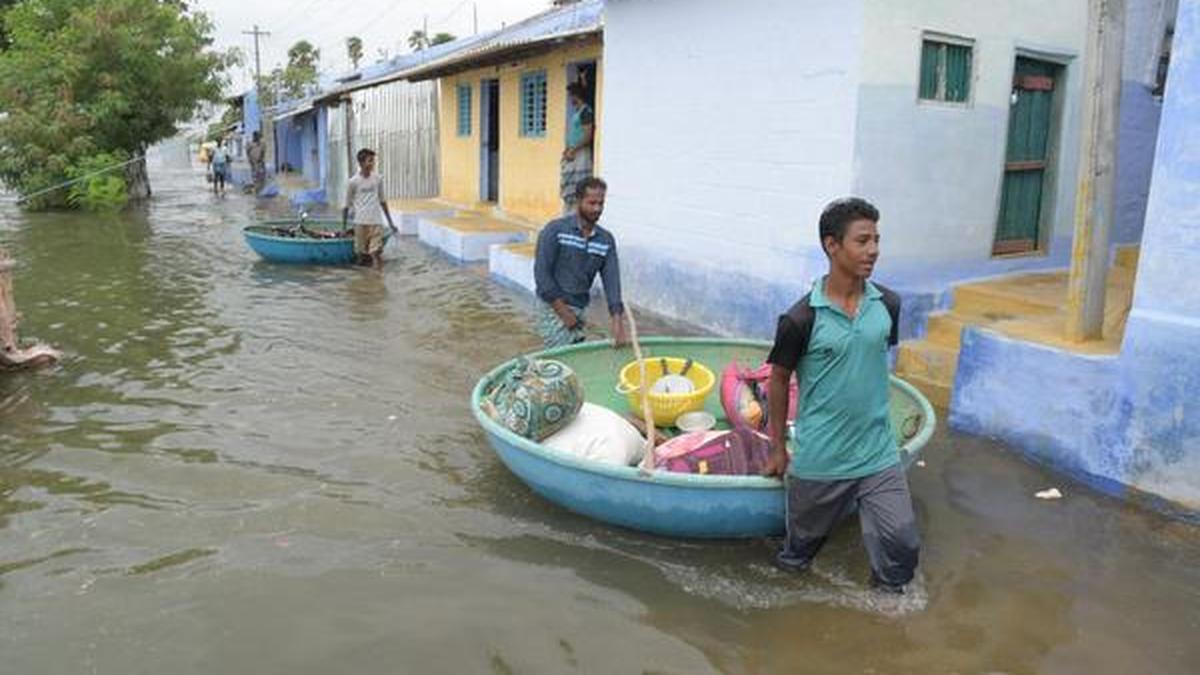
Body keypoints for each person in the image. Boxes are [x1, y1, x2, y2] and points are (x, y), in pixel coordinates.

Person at [763, 197, 919, 594]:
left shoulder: (888, 305)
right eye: (862, 241)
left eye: (877, 240)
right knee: (798, 556)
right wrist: (777, 448)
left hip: (877, 454)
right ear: (832, 246)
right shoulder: (800, 319)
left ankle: (883, 618)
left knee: (902, 545)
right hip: (821, 459)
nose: (874, 251)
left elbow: (870, 363)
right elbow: (777, 380)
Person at [534, 177, 628, 348]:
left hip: (580, 308)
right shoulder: (555, 231)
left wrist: (617, 322)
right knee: (561, 360)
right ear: (578, 201)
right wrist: (563, 312)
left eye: (601, 203)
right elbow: (542, 276)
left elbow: (612, 282)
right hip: (552, 308)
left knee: (576, 356)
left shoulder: (605, 240)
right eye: (591, 203)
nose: (597, 209)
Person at [342, 148, 395, 269]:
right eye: (369, 161)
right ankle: (363, 282)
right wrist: (344, 228)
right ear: (361, 163)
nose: (372, 164)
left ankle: (377, 282)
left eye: (373, 161)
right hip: (360, 222)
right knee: (361, 256)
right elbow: (346, 206)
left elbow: (382, 201)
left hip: (375, 222)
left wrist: (391, 223)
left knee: (375, 254)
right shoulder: (353, 182)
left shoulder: (378, 179)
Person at [559, 83, 595, 212]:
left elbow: (587, 135)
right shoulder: (577, 112)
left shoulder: (586, 111)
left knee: (579, 187)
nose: (570, 99)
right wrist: (568, 149)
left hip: (580, 154)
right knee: (568, 186)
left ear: (576, 95)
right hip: (572, 153)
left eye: (571, 96)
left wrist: (574, 149)